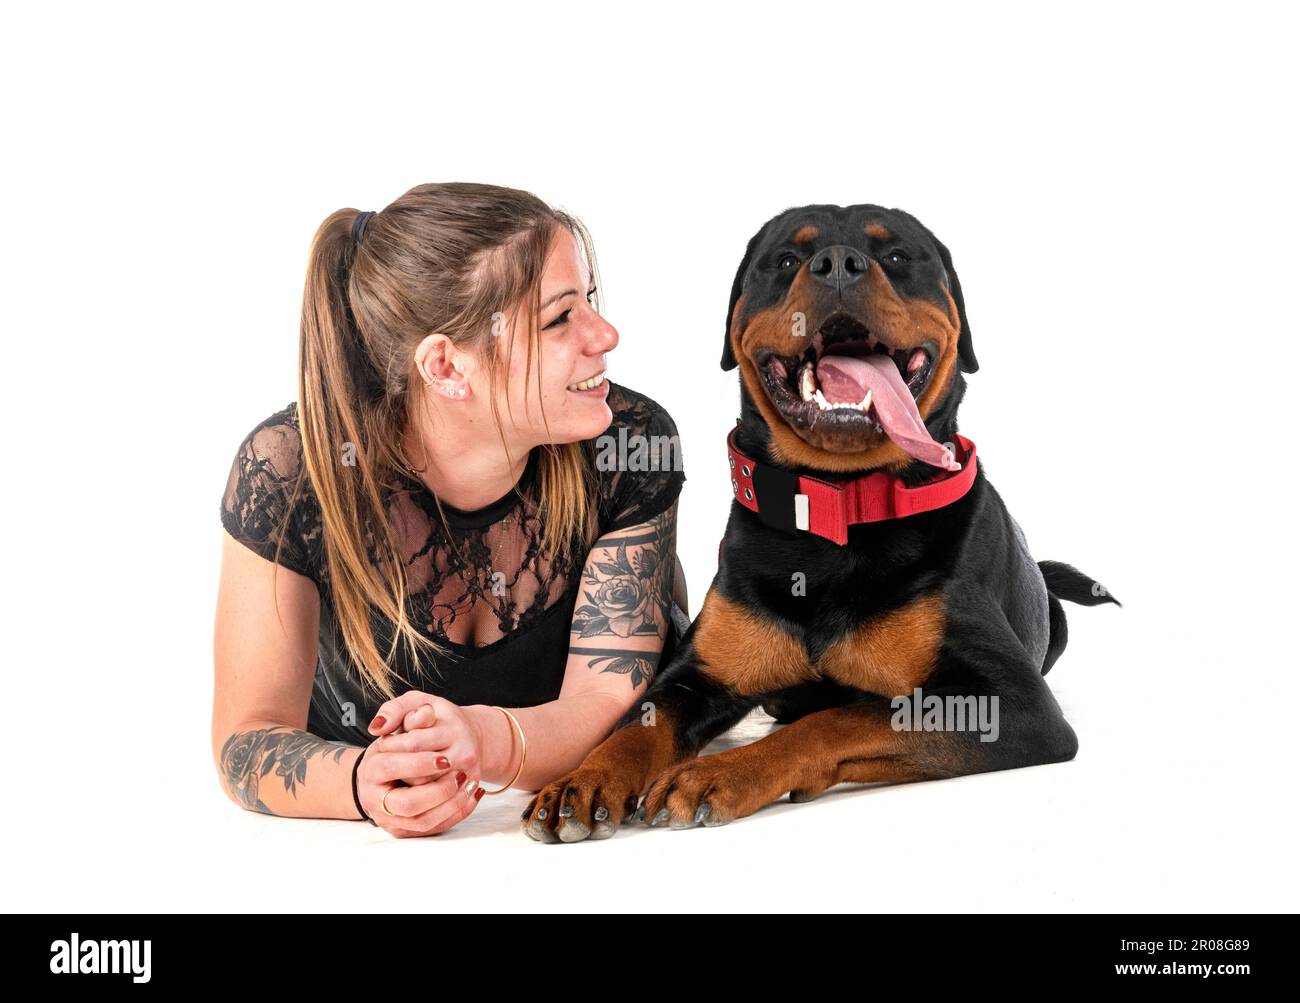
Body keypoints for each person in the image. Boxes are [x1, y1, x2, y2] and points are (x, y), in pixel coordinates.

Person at [212, 182, 687, 838]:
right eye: (558, 319)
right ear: (445, 365)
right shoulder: (291, 472)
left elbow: (606, 699)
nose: (605, 334)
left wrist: (486, 738)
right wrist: (361, 781)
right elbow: (245, 736)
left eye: (591, 303)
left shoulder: (630, 445)